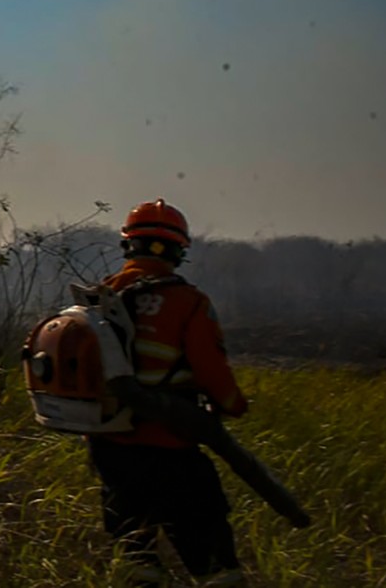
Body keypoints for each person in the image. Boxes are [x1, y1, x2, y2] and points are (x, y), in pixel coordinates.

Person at [88, 198, 250, 586]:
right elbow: (213, 373)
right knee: (213, 560)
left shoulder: (99, 297)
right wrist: (234, 405)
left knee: (136, 557)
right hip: (170, 447)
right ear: (178, 251)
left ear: (128, 245)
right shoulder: (189, 303)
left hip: (109, 447)